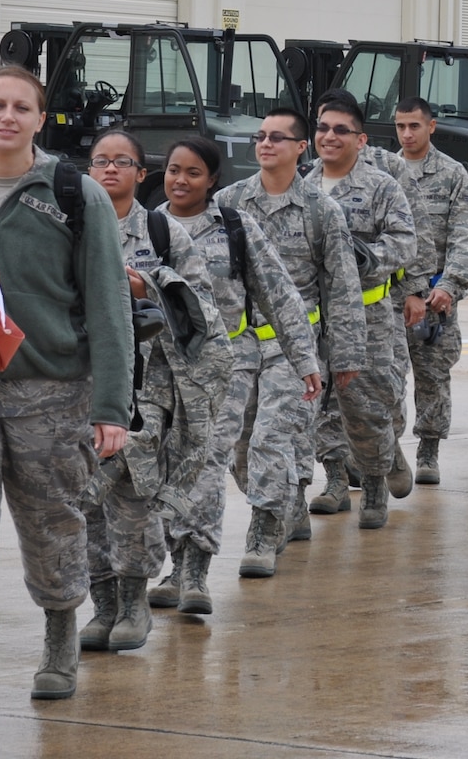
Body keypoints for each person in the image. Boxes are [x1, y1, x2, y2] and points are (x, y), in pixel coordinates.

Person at [0, 64, 132, 730]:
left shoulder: (75, 194)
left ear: (41, 119)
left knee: (53, 526)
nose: (7, 116)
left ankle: (60, 638)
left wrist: (111, 407)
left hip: (53, 394)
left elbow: (108, 305)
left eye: (21, 107)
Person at [77, 131, 230, 656]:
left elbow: (204, 310)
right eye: (101, 161)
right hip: (79, 383)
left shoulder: (163, 232)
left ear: (141, 174)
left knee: (132, 489)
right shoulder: (69, 228)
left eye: (123, 161)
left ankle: (134, 597)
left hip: (149, 387)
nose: (111, 169)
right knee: (83, 496)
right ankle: (101, 603)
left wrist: (150, 283)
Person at [158, 137, 321, 601]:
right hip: (161, 370)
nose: (180, 180)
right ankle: (174, 563)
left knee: (207, 465)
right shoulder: (147, 228)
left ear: (212, 181)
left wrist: (304, 359)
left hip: (226, 363)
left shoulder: (234, 226)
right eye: (173, 170)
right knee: (165, 466)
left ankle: (195, 572)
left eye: (193, 172)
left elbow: (279, 295)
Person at [214, 109, 358, 545]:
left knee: (273, 436)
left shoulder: (321, 211)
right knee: (239, 446)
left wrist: (347, 354)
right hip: (239, 346)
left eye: (277, 137)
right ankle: (289, 505)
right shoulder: (228, 203)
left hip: (296, 348)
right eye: (260, 136)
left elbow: (343, 285)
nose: (265, 144)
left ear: (300, 148)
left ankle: (264, 531)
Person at [309, 90, 415, 525]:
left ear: (360, 139)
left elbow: (406, 241)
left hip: (369, 315)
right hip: (315, 317)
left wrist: (364, 256)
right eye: (322, 128)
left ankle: (374, 483)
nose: (329, 137)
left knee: (366, 404)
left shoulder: (381, 186)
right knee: (319, 403)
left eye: (340, 130)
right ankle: (335, 480)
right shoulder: (301, 184)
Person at [387, 97, 468, 484]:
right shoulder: (383, 172)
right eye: (401, 127)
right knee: (386, 377)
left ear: (431, 127)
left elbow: (464, 235)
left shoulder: (452, 174)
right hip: (389, 296)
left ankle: (428, 451)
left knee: (432, 376)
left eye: (414, 126)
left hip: (435, 292)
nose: (407, 134)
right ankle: (385, 451)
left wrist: (450, 287)